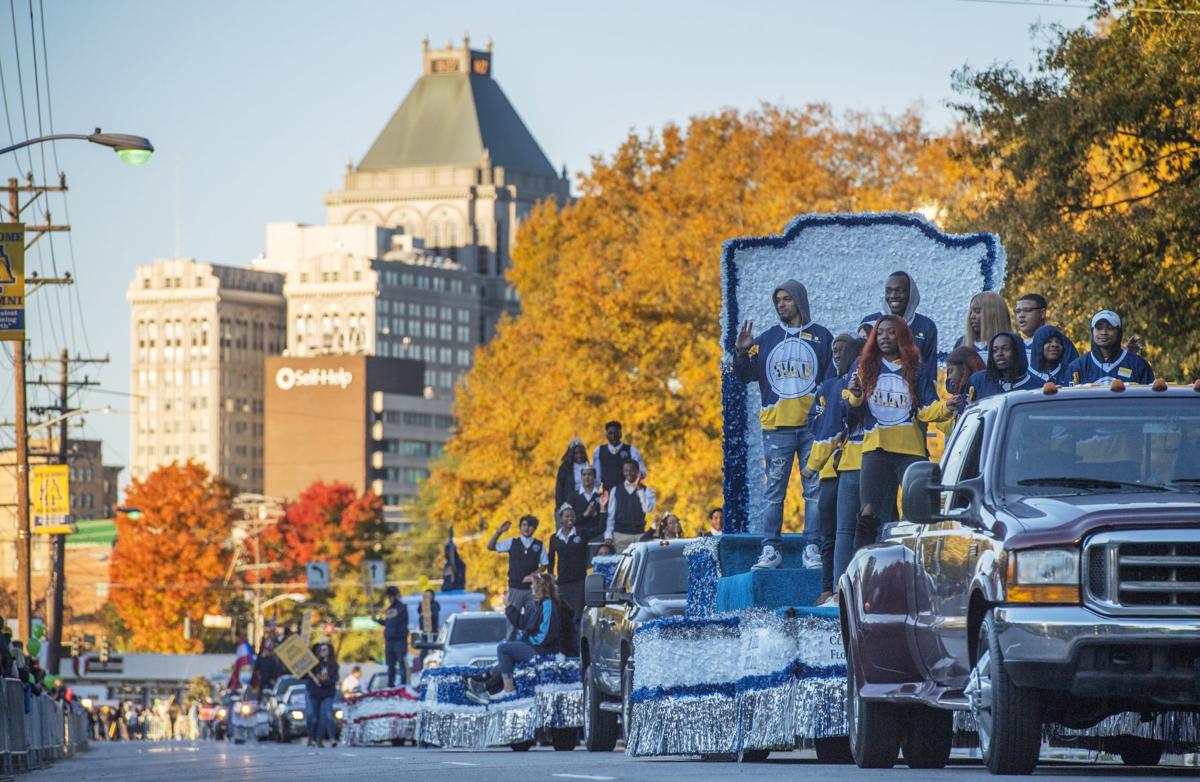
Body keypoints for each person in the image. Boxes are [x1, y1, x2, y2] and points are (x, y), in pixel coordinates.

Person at [734, 279, 834, 570]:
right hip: (776, 427)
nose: (781, 304)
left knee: (813, 490)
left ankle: (812, 548)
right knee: (774, 491)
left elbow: (829, 383)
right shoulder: (765, 339)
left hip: (812, 428)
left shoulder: (822, 337)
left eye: (787, 299)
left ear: (799, 300)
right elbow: (746, 376)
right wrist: (742, 353)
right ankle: (770, 550)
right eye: (777, 299)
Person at [847, 316, 959, 550]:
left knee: (919, 512)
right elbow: (854, 403)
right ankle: (860, 568)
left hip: (910, 451)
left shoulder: (916, 369)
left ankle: (919, 562)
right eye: (880, 333)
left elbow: (926, 409)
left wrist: (947, 407)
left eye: (891, 333)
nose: (885, 338)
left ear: (903, 337)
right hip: (875, 449)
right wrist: (855, 394)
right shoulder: (865, 365)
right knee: (868, 512)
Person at [803, 336, 865, 605]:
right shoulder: (828, 386)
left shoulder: (864, 386)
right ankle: (827, 588)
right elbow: (813, 422)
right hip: (829, 470)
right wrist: (830, 420)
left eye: (842, 350)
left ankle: (856, 586)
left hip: (856, 465)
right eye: (834, 351)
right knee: (830, 532)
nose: (837, 355)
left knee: (855, 529)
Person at [464, 573, 562, 704]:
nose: (531, 588)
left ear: (540, 588)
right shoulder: (536, 605)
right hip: (534, 645)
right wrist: (509, 606)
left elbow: (546, 633)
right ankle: (486, 686)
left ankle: (508, 690)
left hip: (542, 650)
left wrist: (529, 641)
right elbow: (522, 623)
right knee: (508, 653)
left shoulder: (548, 604)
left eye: (533, 585)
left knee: (503, 649)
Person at [861, 271, 938, 378]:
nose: (893, 296)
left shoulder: (927, 326)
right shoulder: (870, 323)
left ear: (911, 294)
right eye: (889, 291)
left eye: (899, 290)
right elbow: (860, 365)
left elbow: (930, 371)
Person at [487, 515, 549, 633]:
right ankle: (510, 646)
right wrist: (499, 532)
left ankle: (531, 645)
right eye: (524, 525)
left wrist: (533, 576)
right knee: (512, 622)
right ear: (520, 527)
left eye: (530, 526)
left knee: (533, 619)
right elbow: (490, 547)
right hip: (515, 588)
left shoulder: (539, 545)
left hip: (532, 589)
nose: (527, 528)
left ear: (534, 528)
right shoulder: (512, 542)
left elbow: (544, 564)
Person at [1068, 310, 1155, 385]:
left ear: (1119, 332)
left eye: (1110, 328)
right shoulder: (1077, 367)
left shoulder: (1139, 365)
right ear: (1092, 331)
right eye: (1099, 328)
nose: (1104, 332)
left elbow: (1150, 402)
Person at [549, 504, 601, 622]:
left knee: (578, 615)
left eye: (572, 516)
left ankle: (577, 639)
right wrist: (551, 574)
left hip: (579, 581)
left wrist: (601, 510)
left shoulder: (581, 533)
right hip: (562, 582)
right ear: (560, 519)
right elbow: (551, 558)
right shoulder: (554, 538)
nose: (570, 518)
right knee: (563, 615)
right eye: (566, 516)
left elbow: (600, 529)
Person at [966, 332, 1038, 401]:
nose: (999, 354)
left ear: (1017, 351)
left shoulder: (1037, 387)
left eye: (1005, 349)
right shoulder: (978, 381)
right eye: (995, 350)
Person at [604, 460, 657, 552]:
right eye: (626, 470)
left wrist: (639, 489)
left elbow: (647, 509)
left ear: (637, 472)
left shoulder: (647, 491)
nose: (628, 473)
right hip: (620, 535)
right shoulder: (615, 490)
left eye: (632, 470)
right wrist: (608, 535)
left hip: (640, 535)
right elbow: (611, 516)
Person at [956, 291, 1012, 364]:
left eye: (977, 311)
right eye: (971, 312)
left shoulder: (1012, 343)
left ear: (993, 315)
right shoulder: (961, 343)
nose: (972, 316)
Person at [940, 346, 986, 434]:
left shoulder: (975, 392)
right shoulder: (962, 394)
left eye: (951, 371)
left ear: (964, 369)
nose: (949, 377)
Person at [592, 421, 648, 491]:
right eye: (610, 433)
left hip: (628, 492)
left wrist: (634, 482)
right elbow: (597, 478)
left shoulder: (631, 450)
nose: (613, 436)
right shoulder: (599, 451)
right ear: (607, 436)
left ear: (620, 434)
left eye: (616, 433)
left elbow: (642, 472)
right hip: (608, 492)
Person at [374, 585, 409, 687]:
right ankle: (390, 684)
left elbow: (397, 621)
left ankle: (403, 683)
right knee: (390, 664)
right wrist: (378, 621)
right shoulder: (389, 609)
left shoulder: (402, 607)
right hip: (389, 640)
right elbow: (388, 623)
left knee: (401, 662)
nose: (389, 599)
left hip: (399, 639)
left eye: (391, 596)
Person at [310, 642, 339, 748]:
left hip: (328, 693)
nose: (323, 652)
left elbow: (334, 679)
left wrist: (322, 682)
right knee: (315, 718)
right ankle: (313, 739)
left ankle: (332, 738)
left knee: (328, 715)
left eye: (325, 649)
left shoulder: (333, 665)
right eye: (321, 650)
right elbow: (309, 677)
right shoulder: (315, 664)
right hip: (316, 693)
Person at [569, 464, 607, 539]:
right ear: (581, 477)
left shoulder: (601, 496)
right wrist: (585, 514)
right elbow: (569, 521)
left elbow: (604, 522)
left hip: (597, 536)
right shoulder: (573, 496)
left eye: (590, 474)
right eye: (584, 474)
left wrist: (594, 514)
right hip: (577, 536)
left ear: (594, 477)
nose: (587, 477)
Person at [555, 437, 589, 510]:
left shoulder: (588, 466)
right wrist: (559, 507)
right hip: (570, 503)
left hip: (586, 502)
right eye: (576, 453)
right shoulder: (565, 468)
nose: (579, 455)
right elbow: (559, 488)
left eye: (581, 452)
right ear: (571, 454)